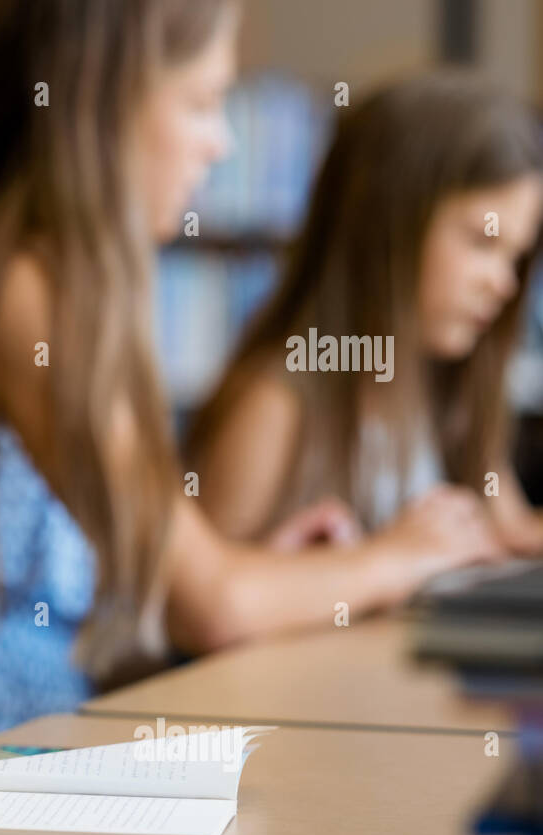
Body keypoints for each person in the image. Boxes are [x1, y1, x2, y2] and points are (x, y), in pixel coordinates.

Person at [0, 0, 502, 774]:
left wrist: (281, 576)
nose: (219, 143)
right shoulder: (20, 289)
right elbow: (215, 603)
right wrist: (405, 555)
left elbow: (130, 611)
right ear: (101, 101)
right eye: (201, 102)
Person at [186, 71, 543, 552]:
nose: (504, 284)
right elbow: (214, 594)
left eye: (515, 258)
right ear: (386, 227)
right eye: (482, 242)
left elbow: (511, 530)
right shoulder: (275, 402)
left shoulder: (449, 387)